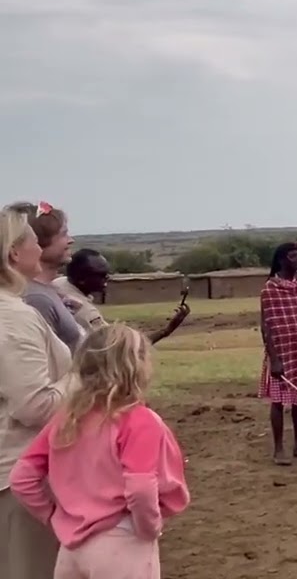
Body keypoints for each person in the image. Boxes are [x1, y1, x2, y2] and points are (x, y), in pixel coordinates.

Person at [8, 324, 190, 579]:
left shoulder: (66, 420)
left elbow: (21, 478)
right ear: (138, 368)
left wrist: (53, 517)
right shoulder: (139, 421)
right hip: (121, 541)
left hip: (71, 549)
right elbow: (140, 487)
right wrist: (148, 528)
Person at [0, 205, 72, 578]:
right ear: (14, 252)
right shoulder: (13, 316)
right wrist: (84, 375)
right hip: (20, 479)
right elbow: (35, 406)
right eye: (31, 239)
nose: (38, 247)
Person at [259, 242, 297, 465]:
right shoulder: (270, 289)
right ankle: (279, 449)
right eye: (293, 256)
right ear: (282, 260)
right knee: (278, 401)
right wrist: (274, 359)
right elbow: (267, 327)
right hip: (281, 355)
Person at [54, 249, 191, 344]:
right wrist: (166, 331)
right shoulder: (86, 313)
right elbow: (122, 348)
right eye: (100, 275)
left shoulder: (57, 285)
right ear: (82, 279)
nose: (107, 277)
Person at [10, 202, 83, 349]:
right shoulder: (36, 299)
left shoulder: (46, 291)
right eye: (63, 234)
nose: (70, 240)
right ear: (38, 241)